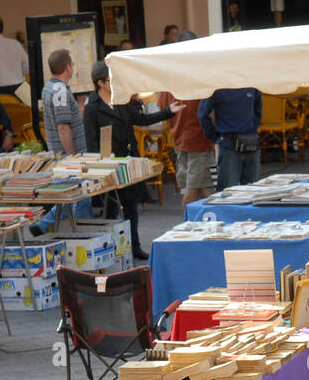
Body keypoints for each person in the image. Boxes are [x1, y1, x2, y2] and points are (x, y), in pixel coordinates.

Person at [82, 60, 181, 259]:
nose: (115, 83)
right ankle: (108, 250)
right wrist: (101, 162)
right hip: (108, 165)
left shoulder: (121, 99)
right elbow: (91, 142)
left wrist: (168, 111)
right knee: (110, 208)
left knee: (131, 207)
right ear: (100, 83)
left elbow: (141, 120)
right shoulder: (92, 108)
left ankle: (134, 247)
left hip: (129, 161)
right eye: (111, 80)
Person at [31, 49, 94, 235]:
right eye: (72, 64)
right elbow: (63, 127)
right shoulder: (60, 90)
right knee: (79, 196)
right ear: (67, 67)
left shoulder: (50, 87)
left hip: (60, 154)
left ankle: (46, 227)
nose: (73, 67)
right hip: (68, 156)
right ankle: (78, 236)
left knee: (74, 197)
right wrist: (73, 156)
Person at [159, 36, 216, 209]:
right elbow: (210, 110)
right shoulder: (200, 77)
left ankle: (210, 220)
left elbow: (162, 106)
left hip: (179, 139)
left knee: (200, 187)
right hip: (199, 140)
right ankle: (185, 226)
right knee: (194, 189)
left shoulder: (170, 77)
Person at [198, 88, 262, 190]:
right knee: (241, 191)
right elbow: (202, 115)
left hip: (241, 144)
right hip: (239, 144)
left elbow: (202, 115)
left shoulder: (251, 86)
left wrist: (215, 137)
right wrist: (216, 138)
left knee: (233, 191)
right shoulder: (217, 88)